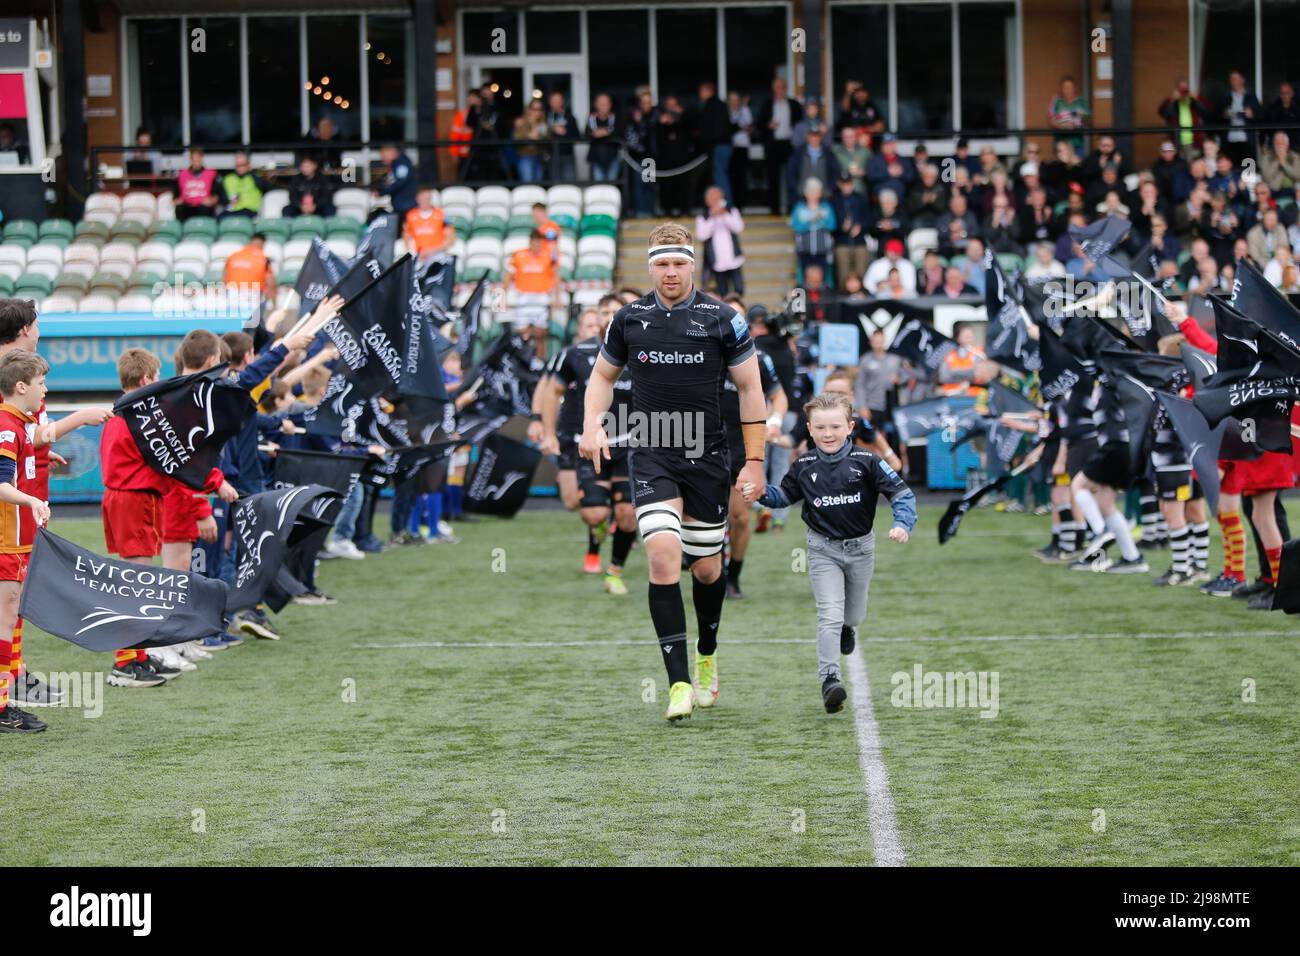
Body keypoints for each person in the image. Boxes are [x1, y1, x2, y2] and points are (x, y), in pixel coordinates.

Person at [580, 222, 768, 722]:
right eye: (661, 263)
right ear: (650, 267)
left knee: (706, 569)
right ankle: (678, 682)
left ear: (693, 265)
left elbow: (750, 390)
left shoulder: (722, 318)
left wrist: (754, 460)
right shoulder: (628, 319)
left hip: (708, 458)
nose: (670, 272)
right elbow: (602, 377)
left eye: (678, 262)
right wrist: (592, 426)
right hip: (652, 452)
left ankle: (707, 654)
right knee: (663, 555)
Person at [746, 391, 915, 713]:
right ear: (809, 429)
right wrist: (761, 493)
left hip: (861, 549)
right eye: (821, 428)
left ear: (850, 427)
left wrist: (903, 523)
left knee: (853, 616)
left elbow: (902, 494)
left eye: (835, 427)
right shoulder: (804, 464)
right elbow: (784, 495)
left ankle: (848, 628)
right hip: (822, 549)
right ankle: (830, 680)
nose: (828, 434)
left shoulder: (868, 462)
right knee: (829, 615)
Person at [0, 300, 112, 706]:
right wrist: (81, 417)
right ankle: (11, 684)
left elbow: (29, 441)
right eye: (37, 323)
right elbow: (21, 441)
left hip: (21, 503)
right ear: (26, 327)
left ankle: (15, 679)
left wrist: (35, 457)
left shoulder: (23, 379)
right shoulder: (15, 379)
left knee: (14, 597)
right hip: (11, 510)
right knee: (8, 599)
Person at [0, 351, 55, 732]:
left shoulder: (19, 424)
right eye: (40, 383)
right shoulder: (7, 426)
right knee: (4, 623)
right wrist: (32, 499)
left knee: (9, 619)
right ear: (21, 386)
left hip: (15, 541)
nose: (45, 390)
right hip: (5, 542)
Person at [505, 229, 561, 360]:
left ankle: (539, 362)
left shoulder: (548, 256)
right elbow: (507, 277)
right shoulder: (518, 255)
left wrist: (557, 297)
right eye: (535, 242)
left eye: (539, 242)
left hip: (541, 297)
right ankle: (520, 360)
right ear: (530, 242)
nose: (537, 245)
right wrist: (502, 298)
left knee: (540, 333)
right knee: (521, 333)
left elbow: (556, 278)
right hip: (523, 297)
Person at [756, 77, 802, 214]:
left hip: (789, 144)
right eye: (777, 87)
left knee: (791, 177)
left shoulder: (793, 104)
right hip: (773, 144)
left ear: (785, 89)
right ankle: (774, 210)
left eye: (782, 87)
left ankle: (791, 208)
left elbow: (800, 123)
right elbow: (759, 124)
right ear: (773, 89)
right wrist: (768, 125)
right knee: (772, 177)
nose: (779, 90)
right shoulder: (767, 104)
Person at [695, 186, 745, 297]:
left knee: (739, 289)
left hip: (734, 260)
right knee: (722, 292)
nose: (715, 201)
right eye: (712, 199)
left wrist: (724, 215)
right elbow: (701, 236)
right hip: (716, 262)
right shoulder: (703, 217)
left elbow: (739, 227)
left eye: (717, 198)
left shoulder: (731, 211)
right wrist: (713, 217)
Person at [790, 177, 836, 282]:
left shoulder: (826, 207)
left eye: (817, 191)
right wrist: (811, 220)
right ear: (806, 193)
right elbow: (796, 226)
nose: (814, 193)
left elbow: (832, 225)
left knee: (824, 278)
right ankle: (802, 298)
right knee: (803, 279)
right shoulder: (799, 208)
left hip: (822, 250)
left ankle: (824, 298)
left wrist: (821, 220)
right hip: (804, 249)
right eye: (811, 191)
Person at [696, 82, 733, 206]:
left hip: (718, 146)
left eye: (701, 91)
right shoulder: (721, 104)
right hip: (724, 145)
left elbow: (709, 129)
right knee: (722, 176)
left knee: (720, 178)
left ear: (708, 91)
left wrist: (706, 143)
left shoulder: (711, 105)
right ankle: (723, 206)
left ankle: (726, 207)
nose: (699, 95)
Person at [1158, 80, 1213, 158]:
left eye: (1185, 89)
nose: (1183, 92)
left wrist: (1197, 98)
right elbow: (1164, 113)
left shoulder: (1194, 101)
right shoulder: (1172, 101)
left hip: (1194, 142)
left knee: (1194, 167)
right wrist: (1172, 99)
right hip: (1177, 142)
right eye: (1181, 89)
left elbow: (1207, 111)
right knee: (1179, 167)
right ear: (1176, 90)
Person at [1219, 69, 1261, 165]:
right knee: (1230, 171)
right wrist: (1224, 115)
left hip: (1247, 143)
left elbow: (1262, 118)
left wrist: (1252, 115)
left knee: (1248, 173)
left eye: (1235, 78)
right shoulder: (1225, 98)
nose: (1233, 81)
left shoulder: (1251, 97)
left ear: (1242, 80)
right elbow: (1215, 118)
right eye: (1231, 79)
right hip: (1229, 142)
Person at [403, 186, 456, 262]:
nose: (425, 201)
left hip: (437, 254)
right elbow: (406, 236)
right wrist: (414, 251)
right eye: (422, 198)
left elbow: (450, 238)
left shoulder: (441, 214)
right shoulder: (410, 215)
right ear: (417, 199)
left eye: (427, 199)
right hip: (418, 255)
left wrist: (432, 251)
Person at [223, 233, 277, 302]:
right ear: (263, 244)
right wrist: (274, 303)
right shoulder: (263, 259)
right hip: (252, 294)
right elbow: (270, 282)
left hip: (232, 292)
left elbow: (225, 275)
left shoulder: (233, 256)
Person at [174, 147, 223, 221]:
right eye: (194, 160)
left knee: (205, 209)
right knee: (179, 209)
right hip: (187, 206)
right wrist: (177, 200)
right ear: (190, 160)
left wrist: (212, 200)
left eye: (198, 159)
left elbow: (217, 195)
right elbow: (175, 196)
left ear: (202, 159)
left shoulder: (211, 174)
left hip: (203, 207)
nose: (196, 162)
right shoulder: (182, 175)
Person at [220, 151, 273, 219]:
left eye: (243, 165)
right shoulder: (228, 179)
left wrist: (252, 173)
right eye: (238, 165)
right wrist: (229, 201)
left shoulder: (256, 177)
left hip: (250, 211)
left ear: (248, 165)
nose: (240, 168)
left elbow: (268, 187)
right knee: (220, 218)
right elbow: (223, 199)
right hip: (232, 211)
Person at [372, 143, 417, 218]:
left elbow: (398, 183)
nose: (383, 159)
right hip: (400, 204)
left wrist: (381, 192)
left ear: (392, 152)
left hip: (406, 205)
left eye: (384, 155)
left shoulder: (402, 164)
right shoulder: (396, 165)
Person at [1048, 76, 1089, 154]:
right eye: (1065, 87)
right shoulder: (1056, 101)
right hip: (1060, 144)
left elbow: (1088, 120)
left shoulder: (1081, 102)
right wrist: (1063, 126)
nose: (1068, 90)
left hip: (1077, 144)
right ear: (1061, 89)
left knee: (1078, 165)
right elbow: (1051, 121)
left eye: (1070, 87)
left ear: (1075, 88)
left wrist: (1078, 122)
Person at [545, 90, 579, 182]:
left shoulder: (569, 117)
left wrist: (565, 133)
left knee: (570, 182)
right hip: (550, 154)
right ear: (549, 102)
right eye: (553, 101)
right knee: (554, 182)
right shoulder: (545, 116)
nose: (555, 103)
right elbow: (540, 132)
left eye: (558, 101)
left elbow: (577, 136)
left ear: (562, 102)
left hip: (567, 154)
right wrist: (551, 129)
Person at [586, 92, 621, 183]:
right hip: (596, 158)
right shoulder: (591, 118)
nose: (603, 106)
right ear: (596, 105)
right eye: (600, 104)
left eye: (605, 103)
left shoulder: (615, 117)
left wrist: (605, 133)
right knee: (599, 186)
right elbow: (587, 134)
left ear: (610, 104)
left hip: (613, 157)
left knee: (611, 185)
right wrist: (604, 133)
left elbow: (620, 132)